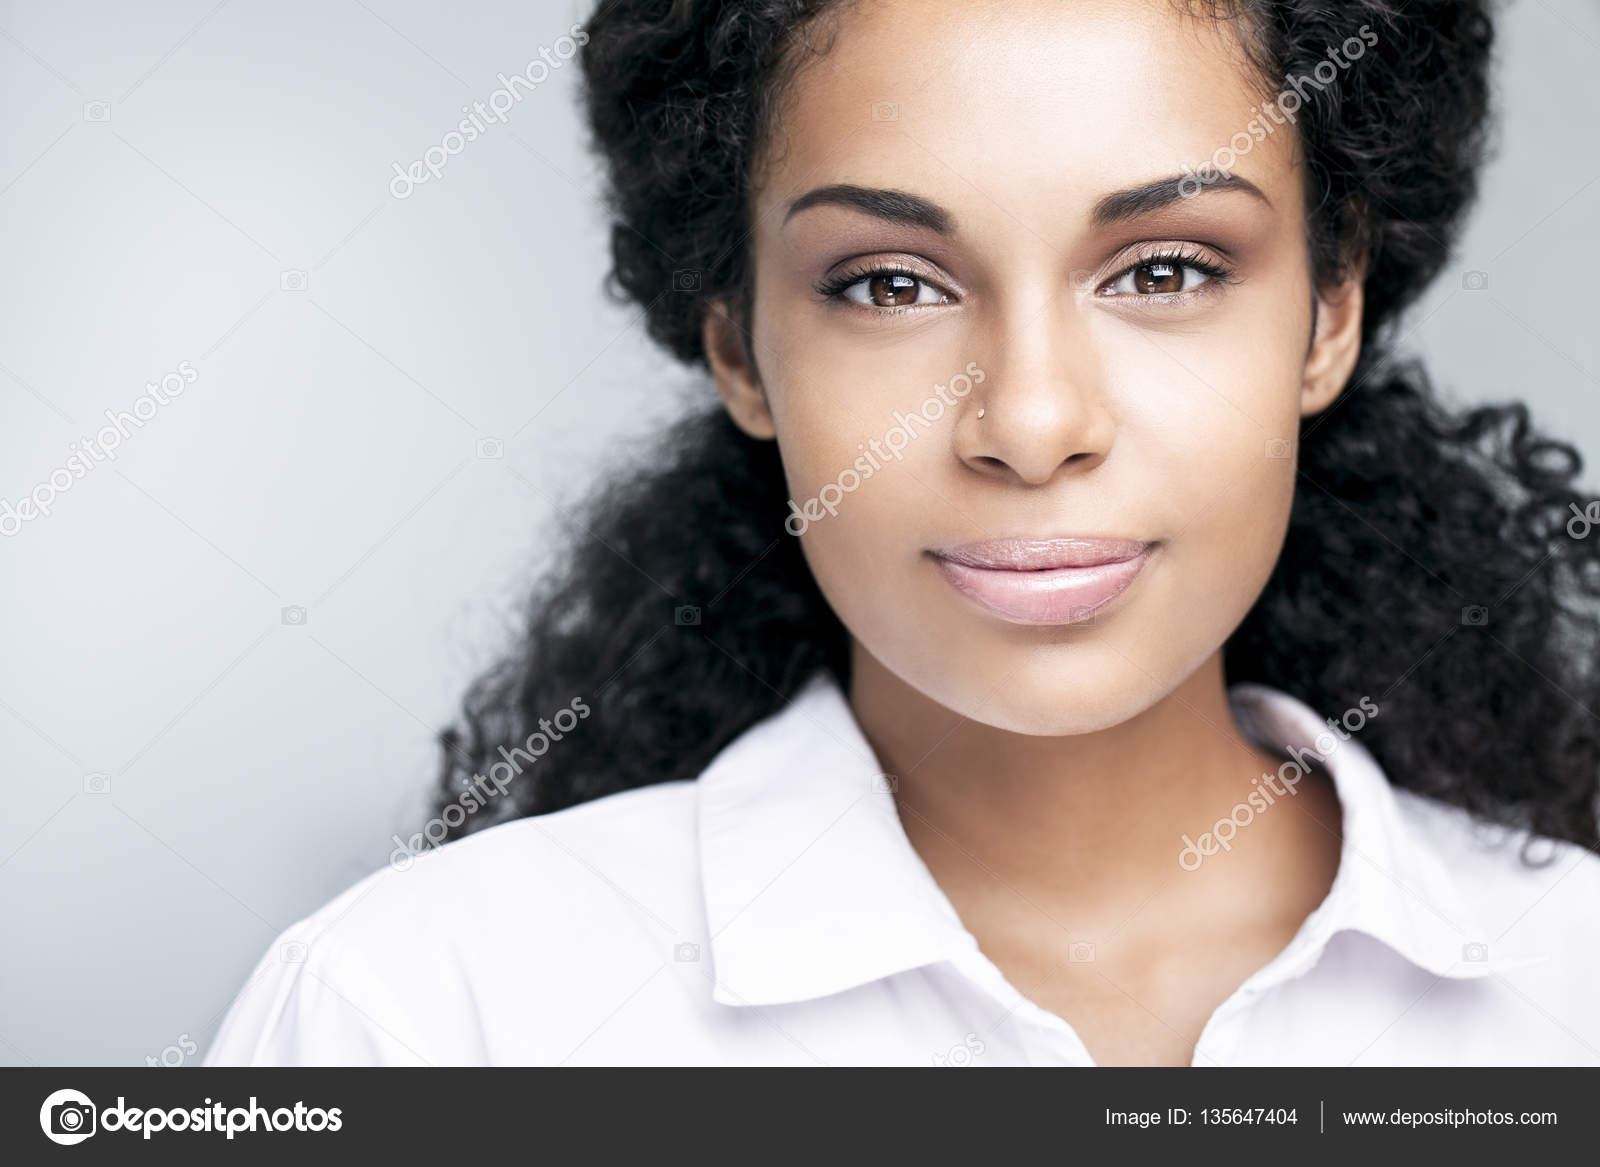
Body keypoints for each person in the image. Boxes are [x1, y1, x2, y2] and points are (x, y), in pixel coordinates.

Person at [206, 0, 1600, 1067]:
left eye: (1166, 269)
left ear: (1329, 313)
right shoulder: (428, 1019)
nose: (1033, 420)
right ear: (740, 349)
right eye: (888, 285)